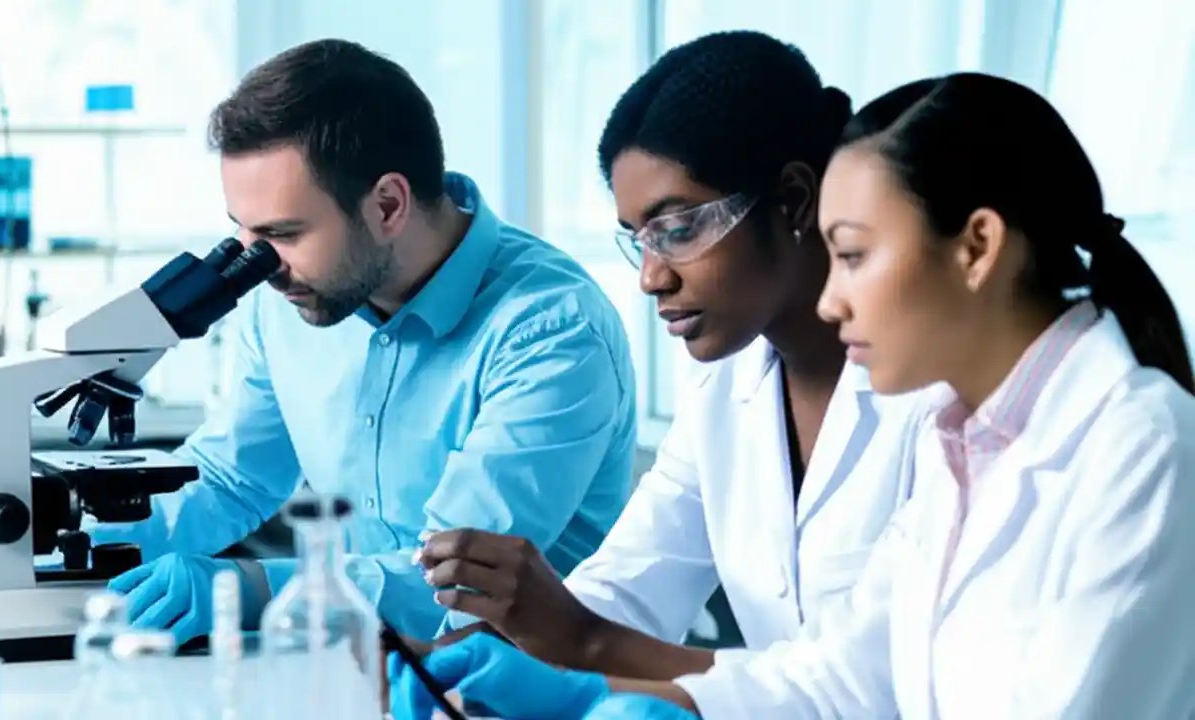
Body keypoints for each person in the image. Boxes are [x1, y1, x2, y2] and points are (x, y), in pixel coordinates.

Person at [391, 71, 1195, 719]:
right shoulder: (967, 437)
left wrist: (601, 667)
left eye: (853, 255)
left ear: (977, 246)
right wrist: (589, 682)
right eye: (638, 240)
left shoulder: (1144, 448)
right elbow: (839, 683)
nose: (834, 299)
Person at [415, 29, 931, 676]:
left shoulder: (936, 387)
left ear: (794, 200)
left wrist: (583, 644)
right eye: (640, 239)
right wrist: (480, 659)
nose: (652, 276)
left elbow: (867, 681)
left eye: (679, 229)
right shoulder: (726, 385)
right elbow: (632, 581)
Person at [92, 38, 638, 644]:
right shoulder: (290, 302)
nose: (256, 263)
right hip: (359, 666)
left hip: (523, 688)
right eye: (242, 232)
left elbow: (461, 583)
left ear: (387, 205)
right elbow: (232, 478)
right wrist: (75, 542)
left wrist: (253, 589)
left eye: (282, 233)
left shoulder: (551, 331)